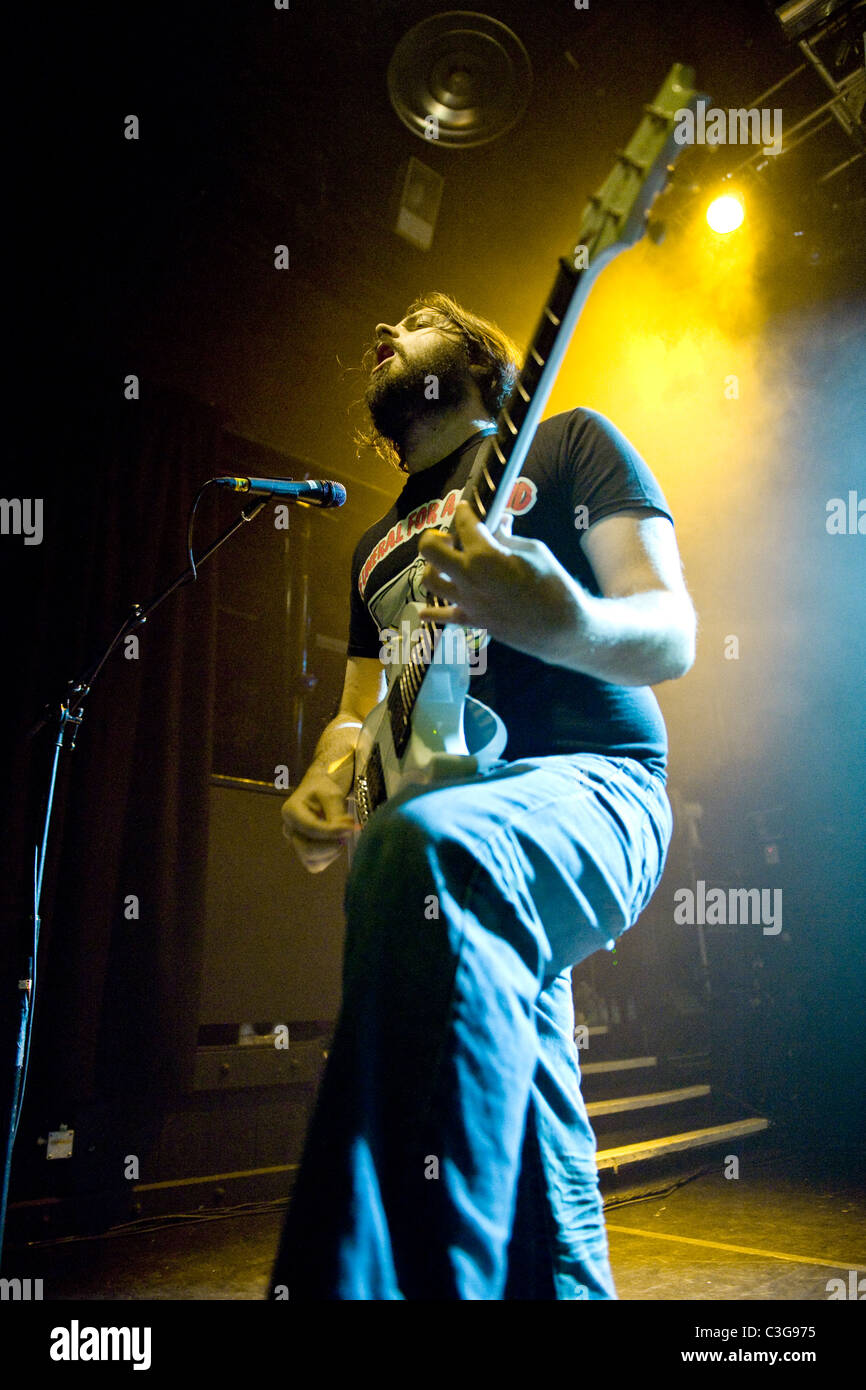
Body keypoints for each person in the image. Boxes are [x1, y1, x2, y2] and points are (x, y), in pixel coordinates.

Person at [269, 292, 696, 1300]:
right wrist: (327, 781)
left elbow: (669, 630)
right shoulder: (372, 545)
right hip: (455, 820)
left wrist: (560, 621)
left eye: (416, 318)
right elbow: (357, 709)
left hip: (594, 783)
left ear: (480, 358)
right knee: (540, 1160)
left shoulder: (560, 445)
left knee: (431, 850)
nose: (385, 327)